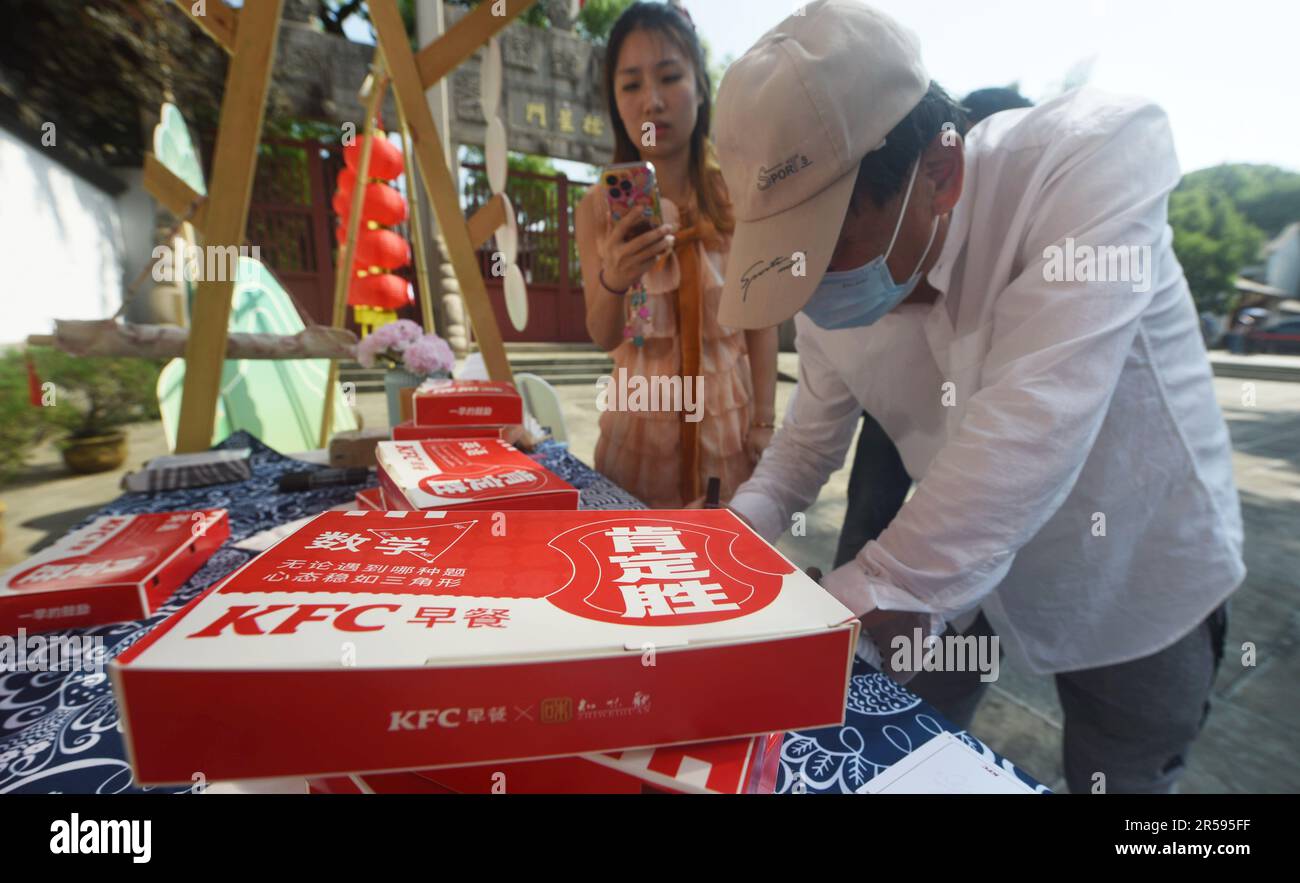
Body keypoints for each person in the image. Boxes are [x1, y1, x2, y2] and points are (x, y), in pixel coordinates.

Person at [710, 0, 1242, 794]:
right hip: (963, 581)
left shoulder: (1085, 161)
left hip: (1140, 576)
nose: (809, 288)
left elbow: (1034, 419)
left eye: (828, 247)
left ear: (941, 172)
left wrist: (847, 602)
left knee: (1130, 788)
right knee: (896, 744)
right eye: (786, 261)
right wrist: (723, 544)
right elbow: (802, 449)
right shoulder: (828, 290)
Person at [576, 1, 778, 508]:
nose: (652, 101)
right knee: (638, 572)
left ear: (701, 85)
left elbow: (761, 319)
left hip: (727, 430)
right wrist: (615, 280)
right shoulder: (597, 210)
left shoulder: (737, 193)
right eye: (631, 84)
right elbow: (603, 336)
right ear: (615, 100)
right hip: (639, 432)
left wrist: (765, 422)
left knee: (723, 570)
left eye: (669, 77)